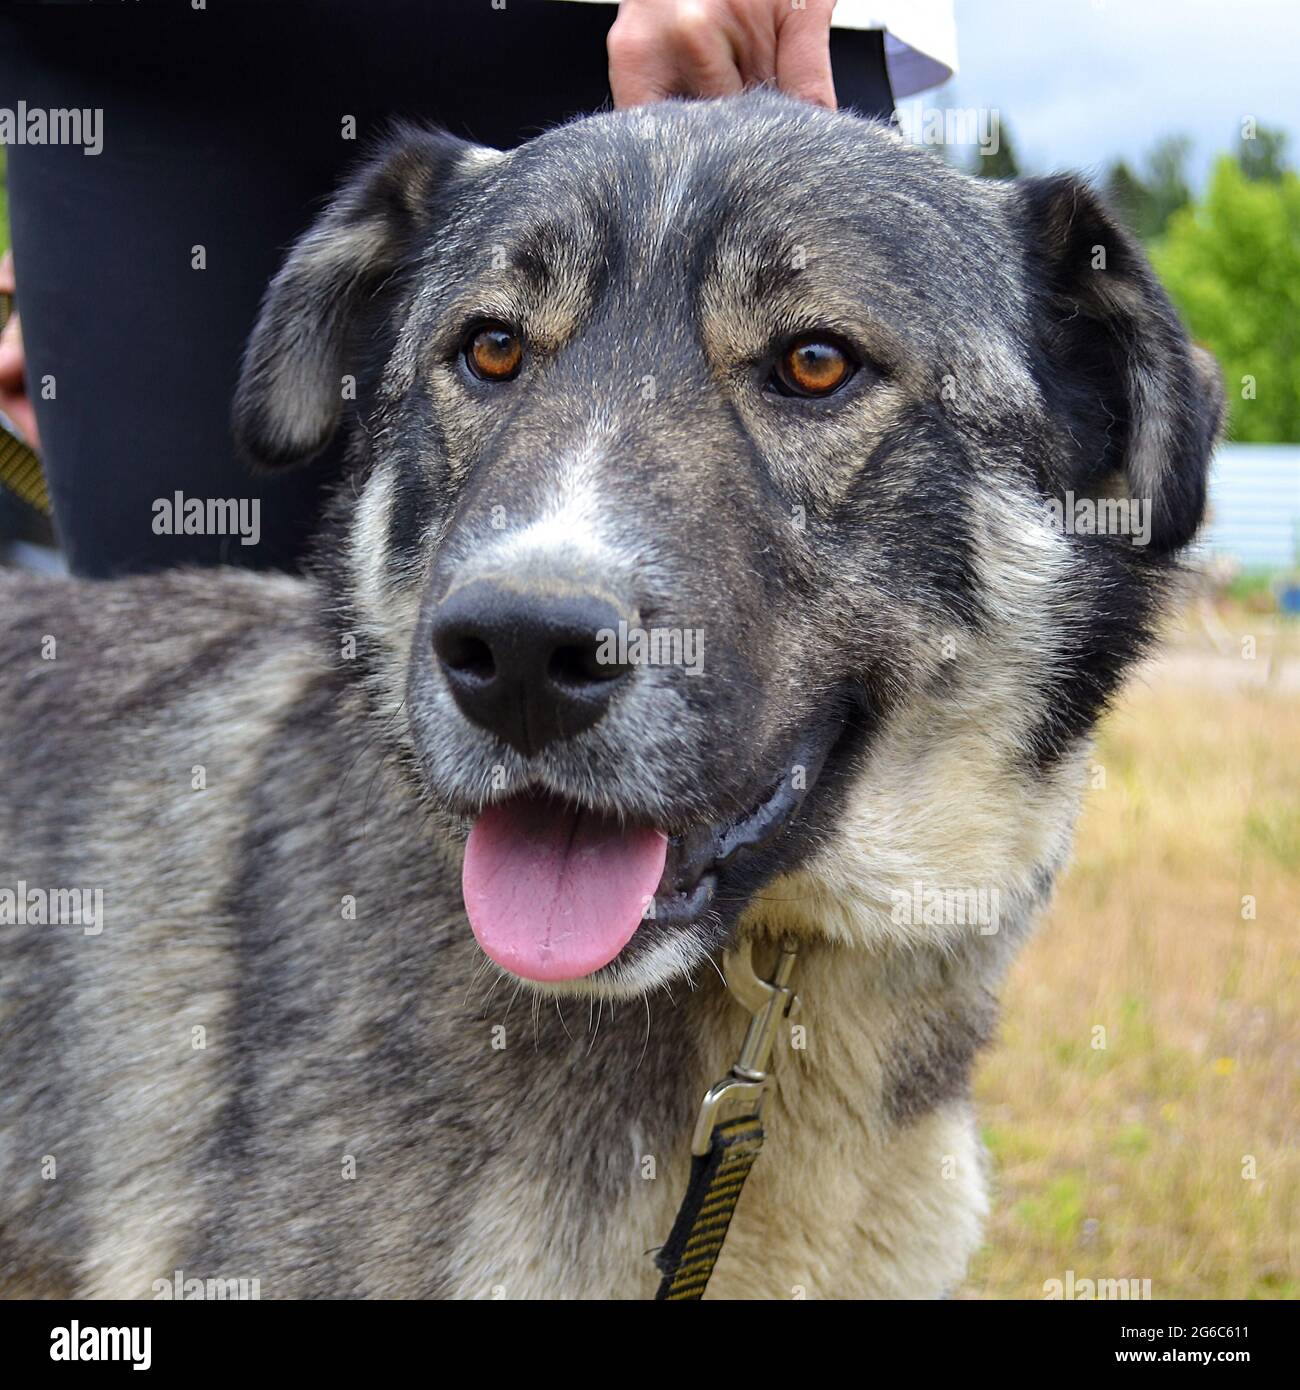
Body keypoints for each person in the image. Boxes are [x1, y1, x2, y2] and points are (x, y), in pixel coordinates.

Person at [0, 0, 953, 577]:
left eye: (809, 364)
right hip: (129, 68)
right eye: (498, 349)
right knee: (181, 779)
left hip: (611, 27)